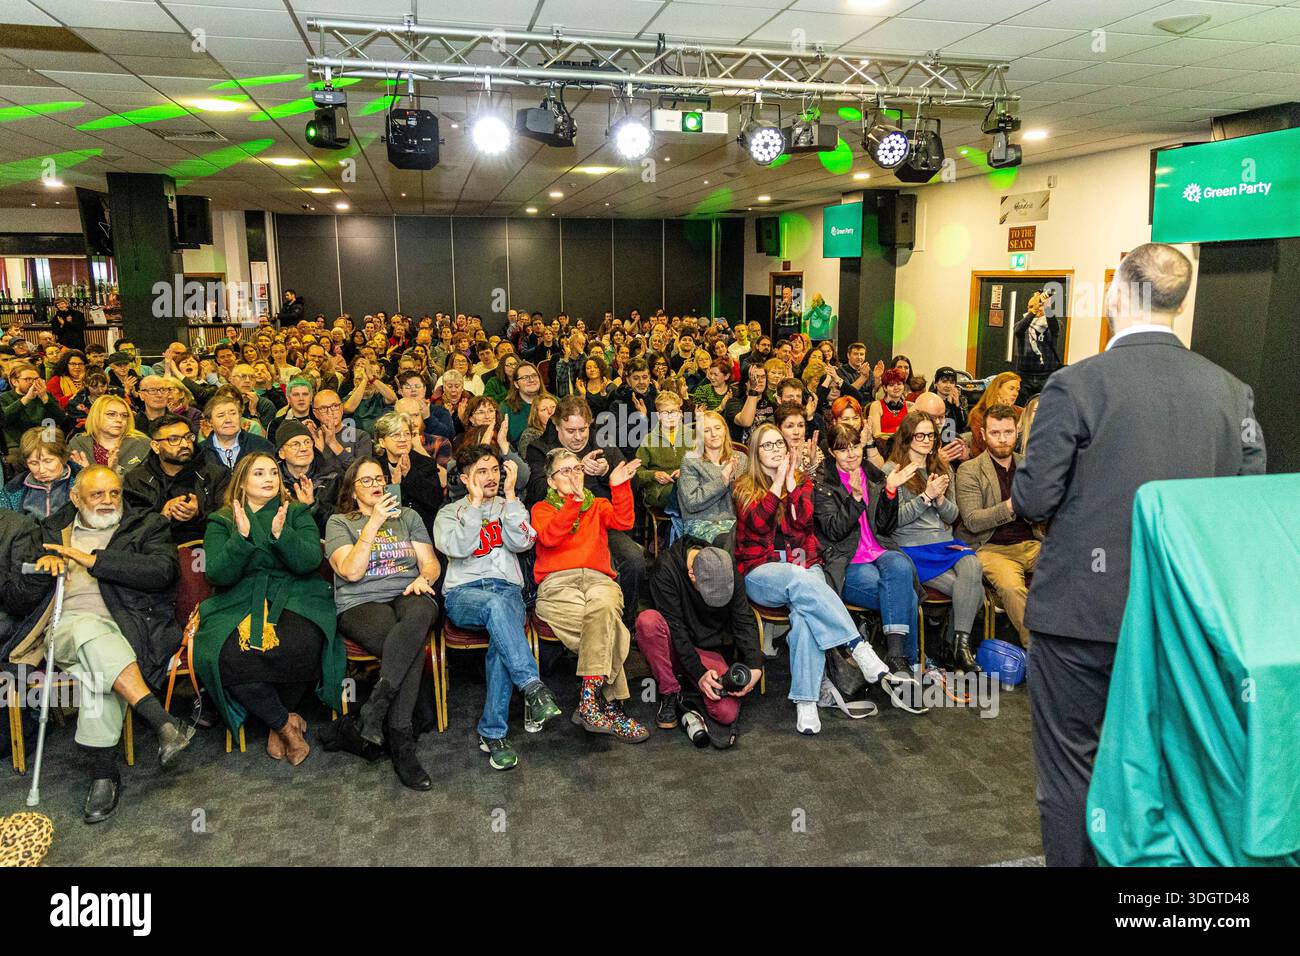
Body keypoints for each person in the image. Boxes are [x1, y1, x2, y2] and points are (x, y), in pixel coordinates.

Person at [1011, 242, 1266, 867]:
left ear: (1114, 295)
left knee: (1074, 770)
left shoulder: (1075, 385)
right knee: (1163, 768)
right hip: (1182, 623)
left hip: (1081, 618)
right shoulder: (1232, 393)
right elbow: (1244, 508)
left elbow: (1032, 498)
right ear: (1180, 304)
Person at [5, 466, 193, 823]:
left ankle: (103, 775)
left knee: (98, 669)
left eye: (114, 493)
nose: (108, 501)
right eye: (97, 495)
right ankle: (162, 721)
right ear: (76, 498)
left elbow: (161, 573)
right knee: (90, 632)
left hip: (131, 626)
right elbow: (15, 596)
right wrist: (39, 571)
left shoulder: (145, 525)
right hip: (65, 628)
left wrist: (93, 561)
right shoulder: (48, 532)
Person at [733, 424, 917, 734]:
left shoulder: (803, 482)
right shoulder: (743, 486)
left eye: (779, 443)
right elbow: (760, 526)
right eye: (768, 446)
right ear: (755, 452)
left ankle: (806, 701)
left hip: (804, 565)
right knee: (801, 578)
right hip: (761, 571)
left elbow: (801, 528)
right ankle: (858, 647)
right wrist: (777, 484)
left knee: (805, 615)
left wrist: (791, 485)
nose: (777, 449)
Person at [194, 453, 343, 767]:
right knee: (224, 654)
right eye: (259, 473)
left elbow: (309, 563)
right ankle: (284, 723)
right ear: (243, 482)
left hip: (295, 593)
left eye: (273, 472)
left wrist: (281, 535)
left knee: (303, 641)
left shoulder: (296, 513)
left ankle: (277, 719)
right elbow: (217, 574)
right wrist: (242, 537)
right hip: (238, 597)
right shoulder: (222, 519)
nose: (269, 479)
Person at [435, 444, 563, 771]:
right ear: (465, 479)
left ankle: (493, 733)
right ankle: (533, 688)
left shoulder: (510, 506)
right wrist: (476, 505)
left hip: (507, 591)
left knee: (500, 641)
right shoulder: (449, 514)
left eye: (494, 470)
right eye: (482, 472)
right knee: (496, 609)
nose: (491, 477)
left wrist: (510, 498)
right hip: (464, 595)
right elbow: (460, 548)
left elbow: (524, 541)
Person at [326, 457, 440, 789]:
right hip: (361, 601)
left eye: (380, 477)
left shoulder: (408, 516)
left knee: (422, 611)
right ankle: (401, 740)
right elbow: (350, 572)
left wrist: (424, 578)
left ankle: (373, 710)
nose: (377, 484)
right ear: (352, 489)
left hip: (407, 590)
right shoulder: (339, 523)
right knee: (410, 646)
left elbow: (430, 563)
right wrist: (373, 523)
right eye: (366, 480)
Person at [531, 447, 648, 743]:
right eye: (565, 471)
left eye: (577, 469)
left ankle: (590, 703)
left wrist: (619, 486)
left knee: (604, 607)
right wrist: (574, 501)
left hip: (598, 579)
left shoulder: (596, 505)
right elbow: (550, 536)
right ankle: (608, 705)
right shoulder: (541, 509)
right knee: (611, 628)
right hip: (557, 585)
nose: (573, 475)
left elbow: (624, 522)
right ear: (551, 481)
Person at [813, 422, 922, 681]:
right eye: (842, 449)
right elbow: (833, 531)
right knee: (906, 595)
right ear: (832, 453)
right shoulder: (822, 483)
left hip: (879, 549)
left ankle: (896, 658)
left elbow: (885, 526)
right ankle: (909, 659)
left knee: (901, 565)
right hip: (846, 559)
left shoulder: (872, 474)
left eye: (855, 446)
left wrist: (890, 492)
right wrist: (855, 499)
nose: (851, 454)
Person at [882, 411, 983, 672]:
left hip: (943, 542)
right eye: (921, 435)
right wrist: (926, 496)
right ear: (907, 438)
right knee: (976, 594)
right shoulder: (892, 470)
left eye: (931, 435)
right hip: (911, 546)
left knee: (971, 564)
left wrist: (940, 500)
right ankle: (954, 648)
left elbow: (954, 515)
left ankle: (957, 647)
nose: (927, 440)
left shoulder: (941, 466)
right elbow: (895, 520)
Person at [635, 541, 762, 745]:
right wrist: (699, 672)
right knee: (648, 622)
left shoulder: (725, 567)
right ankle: (669, 690)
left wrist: (755, 665)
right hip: (672, 644)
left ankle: (688, 696)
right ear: (692, 574)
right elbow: (676, 629)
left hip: (706, 648)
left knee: (726, 713)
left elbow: (743, 618)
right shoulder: (666, 569)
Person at [953, 404, 1041, 648]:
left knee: (1074, 570)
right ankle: (1037, 653)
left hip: (1031, 543)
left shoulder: (1028, 465)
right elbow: (972, 520)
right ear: (983, 434)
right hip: (991, 547)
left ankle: (1072, 646)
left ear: (1017, 431)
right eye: (995, 433)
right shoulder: (969, 470)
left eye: (1008, 432)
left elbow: (1041, 514)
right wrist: (1012, 506)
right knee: (1013, 589)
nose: (1003, 439)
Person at [123, 413, 230, 545]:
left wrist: (198, 514)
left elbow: (227, 523)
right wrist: (163, 516)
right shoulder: (136, 480)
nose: (185, 444)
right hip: (155, 553)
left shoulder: (216, 475)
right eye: (174, 439)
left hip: (205, 547)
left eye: (188, 437)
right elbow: (132, 531)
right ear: (156, 446)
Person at [676, 409, 746, 545]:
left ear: (725, 430)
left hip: (735, 522)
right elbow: (692, 503)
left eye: (717, 428)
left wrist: (732, 483)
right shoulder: (691, 461)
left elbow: (746, 500)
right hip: (701, 523)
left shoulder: (741, 459)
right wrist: (722, 481)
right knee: (728, 541)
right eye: (706, 431)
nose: (714, 434)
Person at [372, 411, 442, 534]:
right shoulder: (374, 467)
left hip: (420, 529)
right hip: (385, 530)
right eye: (396, 435)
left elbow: (435, 501)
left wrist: (409, 474)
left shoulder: (426, 463)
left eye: (407, 434)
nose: (403, 439)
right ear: (382, 442)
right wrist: (393, 486)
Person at [276, 420, 339, 534]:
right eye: (295, 444)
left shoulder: (332, 477)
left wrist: (314, 505)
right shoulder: (273, 481)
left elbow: (342, 521)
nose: (304, 448)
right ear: (281, 453)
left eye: (307, 442)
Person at [633, 391, 690, 514]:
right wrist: (654, 475)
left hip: (690, 484)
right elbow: (636, 472)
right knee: (686, 493)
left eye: (673, 411)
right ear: (658, 416)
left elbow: (704, 462)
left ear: (680, 414)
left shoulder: (693, 436)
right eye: (665, 412)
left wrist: (686, 471)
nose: (670, 416)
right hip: (660, 490)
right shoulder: (649, 440)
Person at [2, 362, 66, 471]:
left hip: (45, 439)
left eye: (36, 379)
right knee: (16, 458)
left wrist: (45, 398)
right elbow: (4, 419)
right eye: (27, 379)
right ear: (14, 381)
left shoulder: (45, 395)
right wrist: (26, 399)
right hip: (18, 442)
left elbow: (61, 418)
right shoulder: (4, 397)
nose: (32, 383)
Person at [0, 426, 75, 517]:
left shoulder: (81, 482)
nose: (42, 470)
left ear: (62, 457)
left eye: (48, 461)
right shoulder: (13, 490)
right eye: (34, 463)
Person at [66, 394, 148, 476]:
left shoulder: (142, 444)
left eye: (124, 416)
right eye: (111, 414)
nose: (119, 420)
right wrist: (85, 475)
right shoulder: (77, 445)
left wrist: (115, 472)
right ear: (96, 416)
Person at [198, 390, 275, 473]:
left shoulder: (262, 446)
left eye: (233, 413)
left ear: (240, 416)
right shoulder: (200, 452)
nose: (228, 420)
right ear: (210, 422)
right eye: (221, 415)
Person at [310, 388, 374, 473]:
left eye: (335, 406)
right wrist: (320, 454)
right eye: (323, 408)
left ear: (341, 408)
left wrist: (333, 444)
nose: (330, 412)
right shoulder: (311, 439)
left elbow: (363, 472)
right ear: (315, 413)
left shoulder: (360, 436)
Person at [1014, 289, 1062, 401]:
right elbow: (1018, 330)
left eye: (1036, 306)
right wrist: (1034, 310)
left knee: (1045, 407)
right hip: (1024, 376)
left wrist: (1047, 307)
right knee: (1022, 408)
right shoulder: (1022, 324)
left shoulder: (1054, 323)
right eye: (1029, 307)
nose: (1032, 309)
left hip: (1046, 375)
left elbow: (1054, 327)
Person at [967, 371, 1021, 457]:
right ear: (997, 389)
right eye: (1011, 388)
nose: (1015, 394)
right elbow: (986, 445)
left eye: (1017, 390)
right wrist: (999, 410)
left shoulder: (1020, 411)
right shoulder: (978, 413)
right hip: (984, 461)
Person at [499, 360, 547, 449]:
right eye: (525, 377)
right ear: (516, 384)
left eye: (534, 375)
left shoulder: (553, 402)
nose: (531, 380)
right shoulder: (506, 408)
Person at [867, 368, 912, 445]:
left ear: (904, 386)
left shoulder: (910, 406)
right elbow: (877, 434)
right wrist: (898, 435)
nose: (896, 387)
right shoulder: (876, 406)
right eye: (891, 385)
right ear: (885, 388)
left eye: (899, 384)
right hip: (884, 447)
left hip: (905, 447)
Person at [517, 393, 556, 461]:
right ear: (536, 415)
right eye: (544, 409)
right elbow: (527, 464)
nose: (550, 412)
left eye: (553, 407)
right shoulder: (529, 435)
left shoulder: (566, 431)